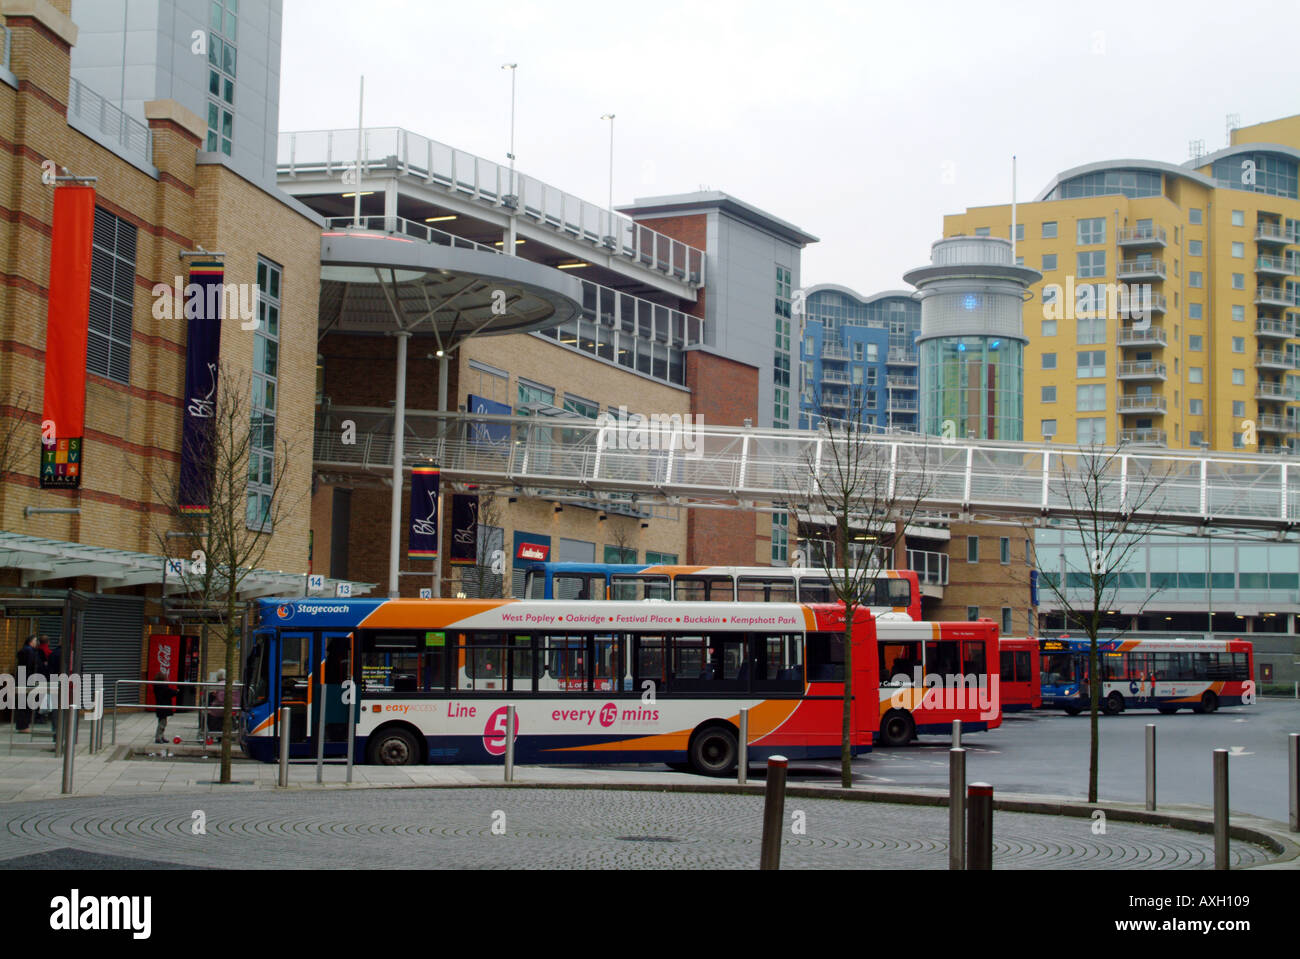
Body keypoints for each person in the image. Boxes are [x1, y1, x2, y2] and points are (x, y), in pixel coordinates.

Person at [14, 636, 41, 732]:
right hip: (27, 680)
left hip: (22, 679)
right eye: (35, 641)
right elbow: (30, 666)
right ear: (30, 642)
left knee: (22, 703)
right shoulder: (30, 651)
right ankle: (23, 726)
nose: (36, 642)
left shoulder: (25, 650)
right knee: (26, 704)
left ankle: (22, 725)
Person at [152, 671, 178, 743]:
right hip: (164, 707)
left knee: (162, 721)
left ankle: (161, 736)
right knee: (162, 723)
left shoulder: (156, 686)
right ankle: (158, 737)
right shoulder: (163, 687)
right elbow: (170, 692)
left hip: (160, 707)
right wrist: (177, 691)